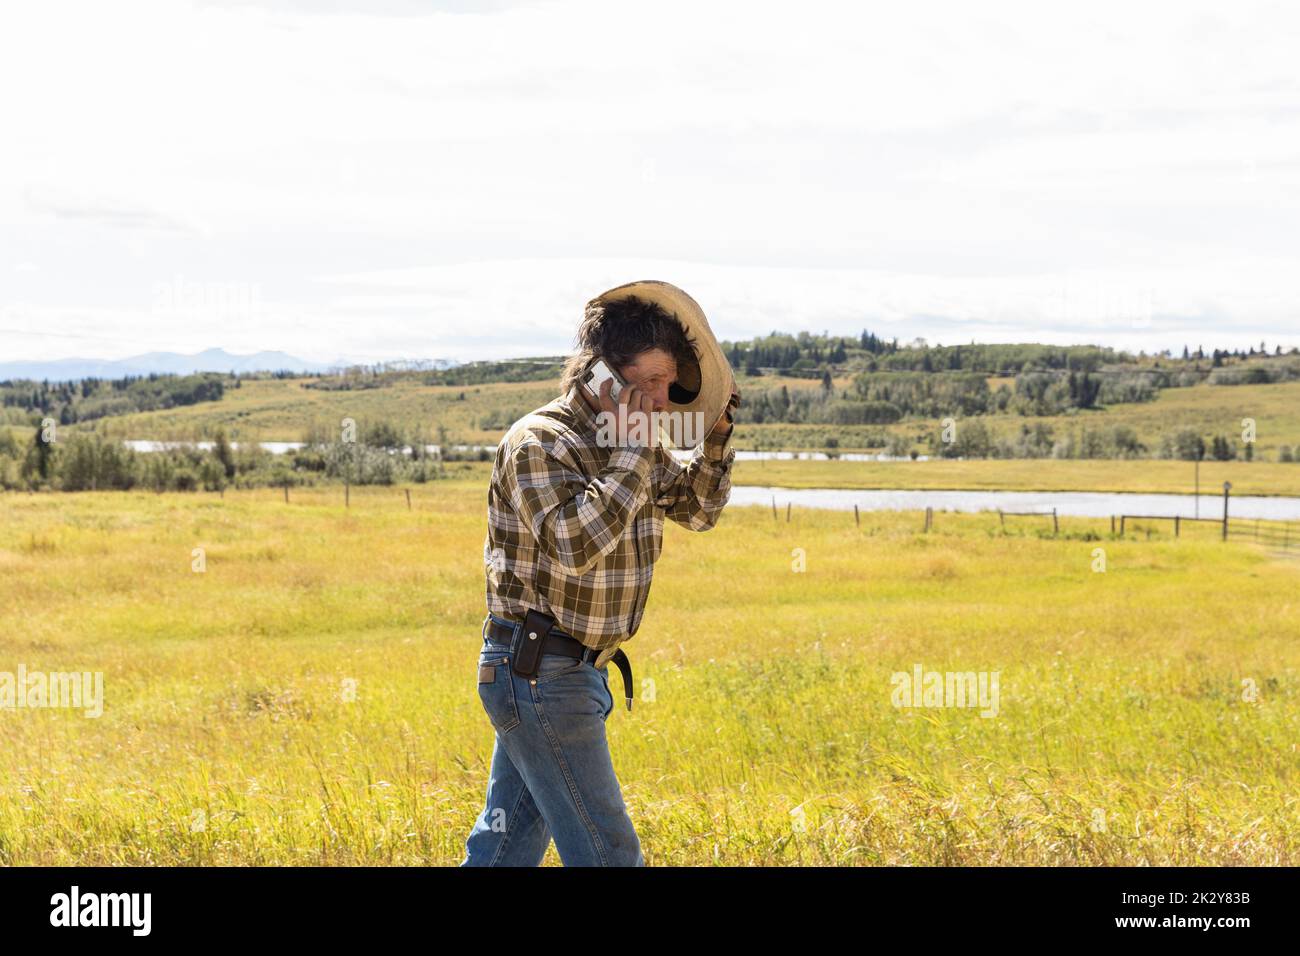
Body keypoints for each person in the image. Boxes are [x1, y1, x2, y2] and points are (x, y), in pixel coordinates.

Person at [460, 283, 740, 866]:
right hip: (541, 672)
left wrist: (714, 442)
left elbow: (699, 510)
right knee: (609, 852)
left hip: (564, 673)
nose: (664, 400)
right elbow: (574, 544)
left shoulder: (630, 445)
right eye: (653, 383)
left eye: (671, 385)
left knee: (504, 849)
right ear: (607, 376)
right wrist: (635, 453)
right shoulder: (540, 441)